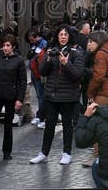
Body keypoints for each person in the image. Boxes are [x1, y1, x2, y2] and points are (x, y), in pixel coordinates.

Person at [29, 25, 85, 165]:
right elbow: (42, 72)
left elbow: (78, 75)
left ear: (69, 37)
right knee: (49, 126)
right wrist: (47, 60)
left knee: (67, 125)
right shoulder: (51, 52)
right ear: (57, 37)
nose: (63, 37)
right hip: (51, 96)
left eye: (65, 35)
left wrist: (66, 64)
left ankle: (67, 153)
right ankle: (43, 153)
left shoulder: (76, 53)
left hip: (68, 96)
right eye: (60, 34)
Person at [0, 35, 26, 161]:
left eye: (8, 45)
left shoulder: (19, 60)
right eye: (4, 45)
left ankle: (7, 151)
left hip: (11, 95)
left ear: (13, 46)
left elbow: (22, 81)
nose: (5, 48)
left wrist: (19, 98)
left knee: (8, 124)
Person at [26, 27, 48, 127]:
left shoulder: (43, 44)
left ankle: (41, 117)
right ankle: (40, 115)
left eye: (31, 39)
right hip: (34, 73)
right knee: (39, 95)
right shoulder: (35, 45)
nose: (31, 41)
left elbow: (41, 59)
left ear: (36, 37)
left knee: (41, 96)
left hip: (39, 74)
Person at [86, 30, 108, 105]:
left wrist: (90, 92)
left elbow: (98, 76)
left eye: (91, 42)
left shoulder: (100, 54)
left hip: (103, 93)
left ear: (98, 41)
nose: (89, 45)